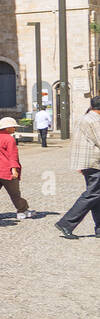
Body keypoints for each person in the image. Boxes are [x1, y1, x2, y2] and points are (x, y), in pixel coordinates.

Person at [55, 95, 100, 238]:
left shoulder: (84, 117)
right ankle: (66, 223)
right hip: (95, 161)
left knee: (96, 195)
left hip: (87, 161)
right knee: (93, 194)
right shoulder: (96, 121)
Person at [0, 117, 33, 221]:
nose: (14, 128)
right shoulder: (9, 139)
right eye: (13, 127)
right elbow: (12, 156)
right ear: (7, 128)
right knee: (14, 193)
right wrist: (14, 170)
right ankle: (22, 210)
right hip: (6, 170)